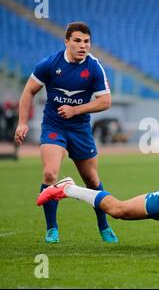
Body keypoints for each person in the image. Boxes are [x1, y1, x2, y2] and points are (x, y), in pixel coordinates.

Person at [14, 22, 117, 243]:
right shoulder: (50, 64)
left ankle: (104, 226)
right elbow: (28, 91)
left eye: (87, 42)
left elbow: (106, 101)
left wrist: (76, 110)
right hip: (54, 127)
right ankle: (52, 228)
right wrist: (22, 122)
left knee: (91, 179)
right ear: (67, 42)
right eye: (78, 41)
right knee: (50, 174)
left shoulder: (94, 67)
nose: (83, 46)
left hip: (80, 130)